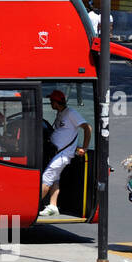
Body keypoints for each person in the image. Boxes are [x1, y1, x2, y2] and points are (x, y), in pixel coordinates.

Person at [39, 89, 90, 217]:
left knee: (46, 178)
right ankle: (53, 206)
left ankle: (32, 205)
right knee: (55, 179)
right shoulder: (60, 113)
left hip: (63, 154)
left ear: (57, 102)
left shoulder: (71, 113)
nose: (50, 103)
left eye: (51, 101)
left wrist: (84, 147)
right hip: (57, 153)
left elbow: (87, 127)